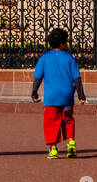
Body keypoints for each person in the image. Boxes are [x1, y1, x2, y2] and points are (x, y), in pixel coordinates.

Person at [32, 27, 87, 158]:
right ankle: (71, 142)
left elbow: (37, 78)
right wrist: (81, 95)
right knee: (68, 119)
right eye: (66, 41)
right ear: (62, 43)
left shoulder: (44, 58)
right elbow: (77, 78)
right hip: (67, 96)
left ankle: (53, 148)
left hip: (51, 97)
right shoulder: (69, 58)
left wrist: (34, 93)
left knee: (51, 122)